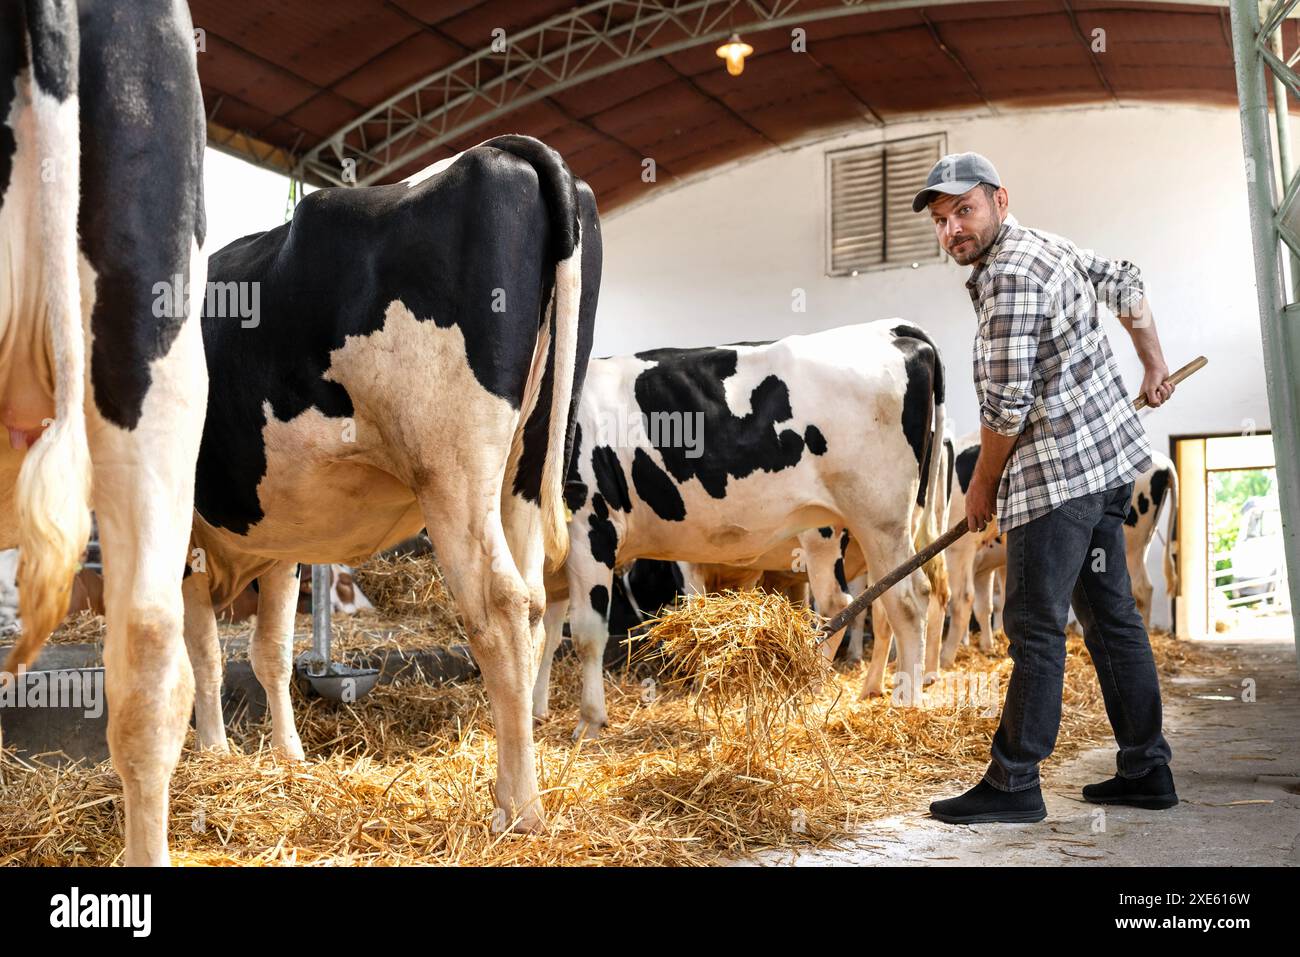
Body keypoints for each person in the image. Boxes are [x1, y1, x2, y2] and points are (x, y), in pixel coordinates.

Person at [914, 152, 1179, 824]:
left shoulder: (1007, 278)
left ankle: (1014, 782)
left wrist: (980, 487)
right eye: (942, 221)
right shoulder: (1048, 245)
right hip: (1107, 469)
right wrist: (1154, 362)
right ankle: (1146, 768)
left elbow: (1005, 406)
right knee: (1112, 618)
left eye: (963, 210)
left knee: (1033, 626)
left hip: (1057, 481)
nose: (952, 230)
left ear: (1000, 198)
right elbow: (1125, 283)